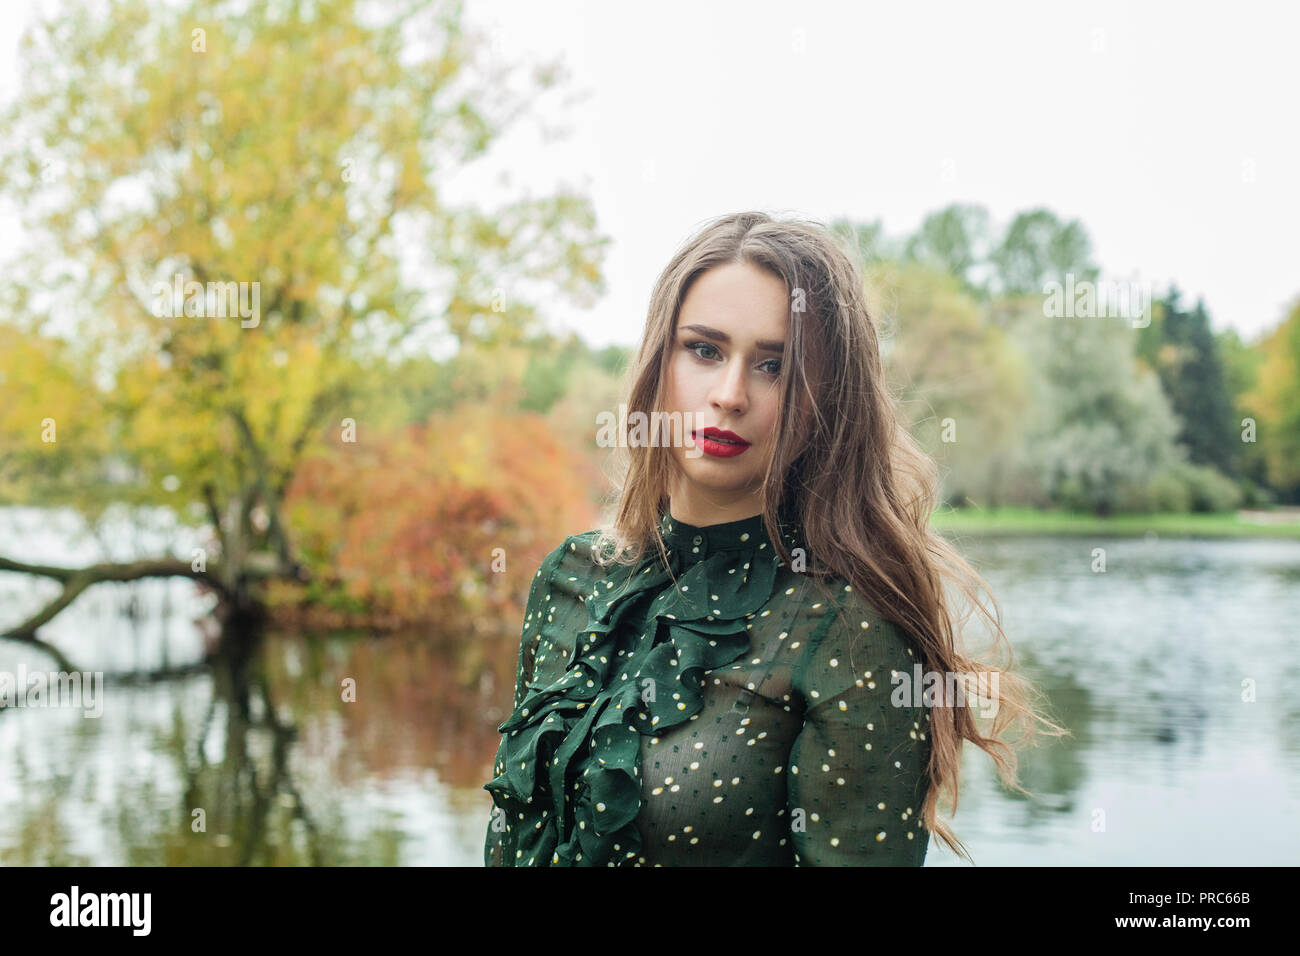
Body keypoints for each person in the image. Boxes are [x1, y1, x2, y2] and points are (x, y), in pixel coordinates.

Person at [482, 210, 1063, 866]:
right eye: (704, 349)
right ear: (658, 363)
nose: (729, 394)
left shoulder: (846, 629)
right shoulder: (570, 579)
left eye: (774, 366)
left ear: (826, 402)